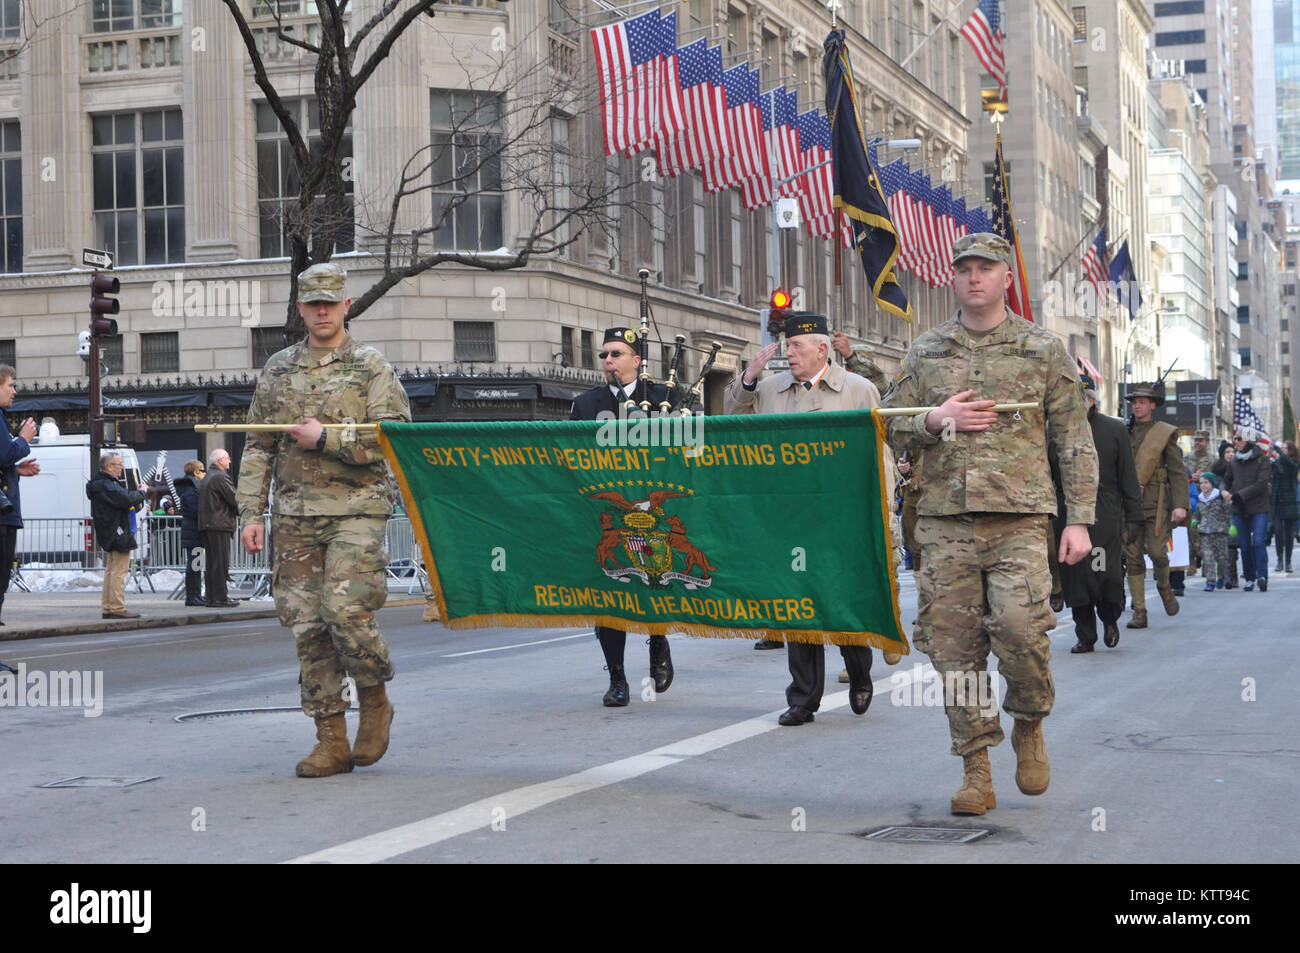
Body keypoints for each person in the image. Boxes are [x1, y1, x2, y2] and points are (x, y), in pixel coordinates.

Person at [881, 232, 1098, 816]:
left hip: (1020, 518)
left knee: (1021, 631)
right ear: (953, 278)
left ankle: (1029, 721)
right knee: (954, 652)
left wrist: (1079, 521)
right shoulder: (925, 352)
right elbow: (889, 424)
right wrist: (933, 419)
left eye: (986, 268)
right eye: (965, 268)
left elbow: (1073, 439)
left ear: (1006, 277)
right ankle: (976, 768)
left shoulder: (1041, 348)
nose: (974, 277)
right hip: (943, 521)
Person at [236, 262, 412, 778]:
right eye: (312, 304)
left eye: (329, 303)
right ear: (300, 309)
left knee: (345, 612)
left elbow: (393, 438)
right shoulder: (278, 369)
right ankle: (330, 739)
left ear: (345, 306)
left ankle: (375, 698)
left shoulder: (370, 366)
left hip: (357, 509)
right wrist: (251, 512)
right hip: (295, 515)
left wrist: (328, 438)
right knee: (308, 627)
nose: (320, 312)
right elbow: (256, 444)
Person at [726, 312, 880, 725]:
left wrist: (879, 513)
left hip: (840, 515)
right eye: (785, 345)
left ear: (822, 350)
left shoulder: (859, 390)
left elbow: (877, 455)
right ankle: (802, 697)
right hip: (788, 516)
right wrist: (748, 379)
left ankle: (860, 672)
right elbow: (733, 420)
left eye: (796, 346)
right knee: (798, 604)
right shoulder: (771, 389)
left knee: (841, 601)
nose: (788, 353)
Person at [569, 327, 683, 707]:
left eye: (616, 354)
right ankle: (617, 677)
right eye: (604, 355)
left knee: (655, 580)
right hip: (609, 510)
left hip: (654, 512)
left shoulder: (666, 397)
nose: (607, 362)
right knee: (609, 592)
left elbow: (688, 451)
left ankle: (658, 642)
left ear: (637, 360)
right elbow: (571, 455)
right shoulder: (586, 404)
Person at [1062, 373, 1143, 653]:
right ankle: (1085, 635)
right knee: (1075, 576)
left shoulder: (1113, 429)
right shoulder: (1057, 430)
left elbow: (1128, 478)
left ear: (1092, 400)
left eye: (1083, 398)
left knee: (1102, 571)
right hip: (1068, 515)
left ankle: (1109, 618)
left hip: (1104, 515)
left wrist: (1134, 517)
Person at [1122, 384, 1188, 627]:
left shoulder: (1163, 434)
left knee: (1158, 552)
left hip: (1157, 504)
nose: (1137, 405)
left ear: (1153, 405)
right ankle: (1139, 611)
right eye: (1134, 401)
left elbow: (1178, 472)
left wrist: (1180, 504)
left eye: (1142, 401)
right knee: (1133, 558)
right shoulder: (1123, 432)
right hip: (1129, 505)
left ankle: (1164, 586)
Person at [86, 452, 146, 620]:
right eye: (119, 464)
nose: (122, 468)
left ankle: (108, 606)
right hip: (118, 531)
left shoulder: (99, 484)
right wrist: (142, 492)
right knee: (119, 571)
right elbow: (126, 499)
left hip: (108, 531)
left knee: (111, 571)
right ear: (109, 466)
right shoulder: (108, 485)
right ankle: (117, 607)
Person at [0, 367, 39, 626]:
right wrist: (23, 440)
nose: (14, 391)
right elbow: (3, 454)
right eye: (10, 385)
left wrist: (15, 470)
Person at [1223, 429, 1273, 591]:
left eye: (1240, 439)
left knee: (1258, 541)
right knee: (1244, 545)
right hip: (1239, 509)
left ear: (1250, 441)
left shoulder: (1263, 460)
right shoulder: (1234, 462)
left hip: (1258, 507)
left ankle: (1262, 576)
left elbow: (1261, 484)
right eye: (1235, 438)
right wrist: (1224, 490)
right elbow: (1226, 481)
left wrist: (1239, 494)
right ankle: (1250, 578)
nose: (1236, 442)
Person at [198, 449, 239, 607]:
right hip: (219, 524)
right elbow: (233, 499)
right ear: (220, 460)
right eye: (227, 459)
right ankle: (220, 598)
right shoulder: (220, 477)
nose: (229, 462)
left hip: (208, 524)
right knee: (220, 563)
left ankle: (212, 597)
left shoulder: (208, 476)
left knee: (212, 563)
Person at [1183, 430, 1215, 578]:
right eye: (1195, 440)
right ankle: (1191, 563)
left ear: (1207, 442)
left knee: (1206, 533)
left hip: (1207, 501)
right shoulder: (1187, 458)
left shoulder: (1212, 460)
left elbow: (1216, 479)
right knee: (1191, 531)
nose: (1197, 443)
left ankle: (1206, 564)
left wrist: (1203, 477)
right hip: (1191, 499)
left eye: (1200, 440)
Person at [174, 459, 205, 606]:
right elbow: (195, 510)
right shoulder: (191, 489)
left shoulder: (190, 487)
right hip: (194, 531)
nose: (205, 473)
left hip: (192, 530)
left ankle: (196, 595)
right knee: (194, 565)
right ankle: (192, 596)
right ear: (196, 472)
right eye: (203, 470)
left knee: (196, 564)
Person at [1195, 473, 1230, 590]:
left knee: (1222, 558)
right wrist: (1195, 521)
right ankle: (1210, 581)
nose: (1203, 485)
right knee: (1207, 556)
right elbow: (1197, 514)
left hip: (1219, 531)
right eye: (1201, 483)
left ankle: (1222, 576)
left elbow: (1228, 512)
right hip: (1205, 532)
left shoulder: (1219, 497)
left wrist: (1231, 525)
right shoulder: (1199, 499)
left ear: (1212, 483)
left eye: (1206, 482)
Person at [1212, 442, 1240, 587]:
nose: (1230, 454)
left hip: (1235, 509)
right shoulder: (1216, 471)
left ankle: (1231, 576)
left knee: (1232, 543)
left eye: (1232, 451)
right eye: (1227, 452)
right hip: (1218, 511)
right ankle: (1224, 574)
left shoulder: (1239, 468)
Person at [1269, 441, 1298, 573]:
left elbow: (1291, 467)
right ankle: (1280, 560)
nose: (1283, 450)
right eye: (1282, 448)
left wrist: (1279, 451)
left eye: (1285, 448)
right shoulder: (1278, 462)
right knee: (1279, 532)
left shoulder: (1294, 462)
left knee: (1289, 534)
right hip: (1278, 502)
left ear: (1291, 450)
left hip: (1289, 502)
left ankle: (1288, 561)